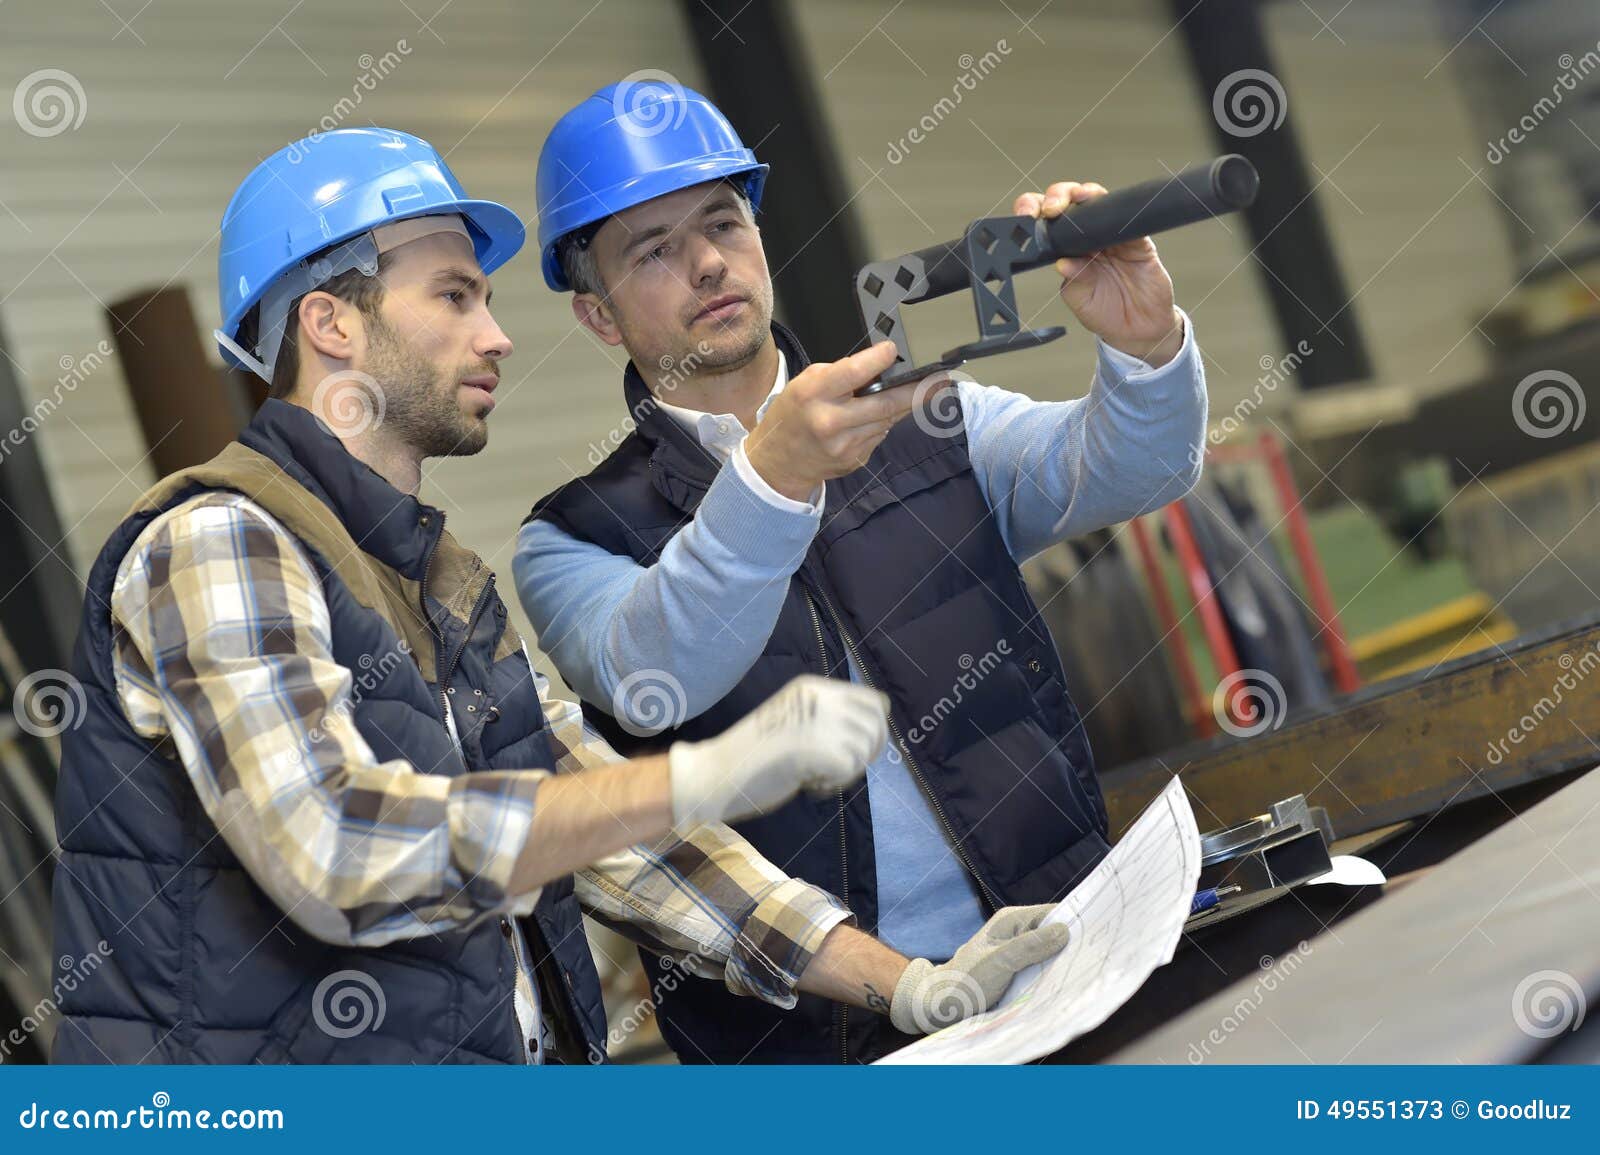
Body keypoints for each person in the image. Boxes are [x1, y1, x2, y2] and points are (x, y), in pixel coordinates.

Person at [49, 127, 1068, 1065]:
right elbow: (339, 853)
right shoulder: (217, 541)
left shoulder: (442, 585)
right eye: (454, 296)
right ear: (330, 324)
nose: (495, 336)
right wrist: (704, 772)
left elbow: (628, 846)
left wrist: (911, 985)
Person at [516, 82, 1208, 1063]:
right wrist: (776, 477)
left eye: (721, 222)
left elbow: (1134, 467)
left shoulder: (925, 421)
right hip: (823, 1046)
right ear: (597, 314)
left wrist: (1144, 345)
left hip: (1056, 960)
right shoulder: (572, 539)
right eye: (653, 249)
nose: (707, 260)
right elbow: (654, 668)